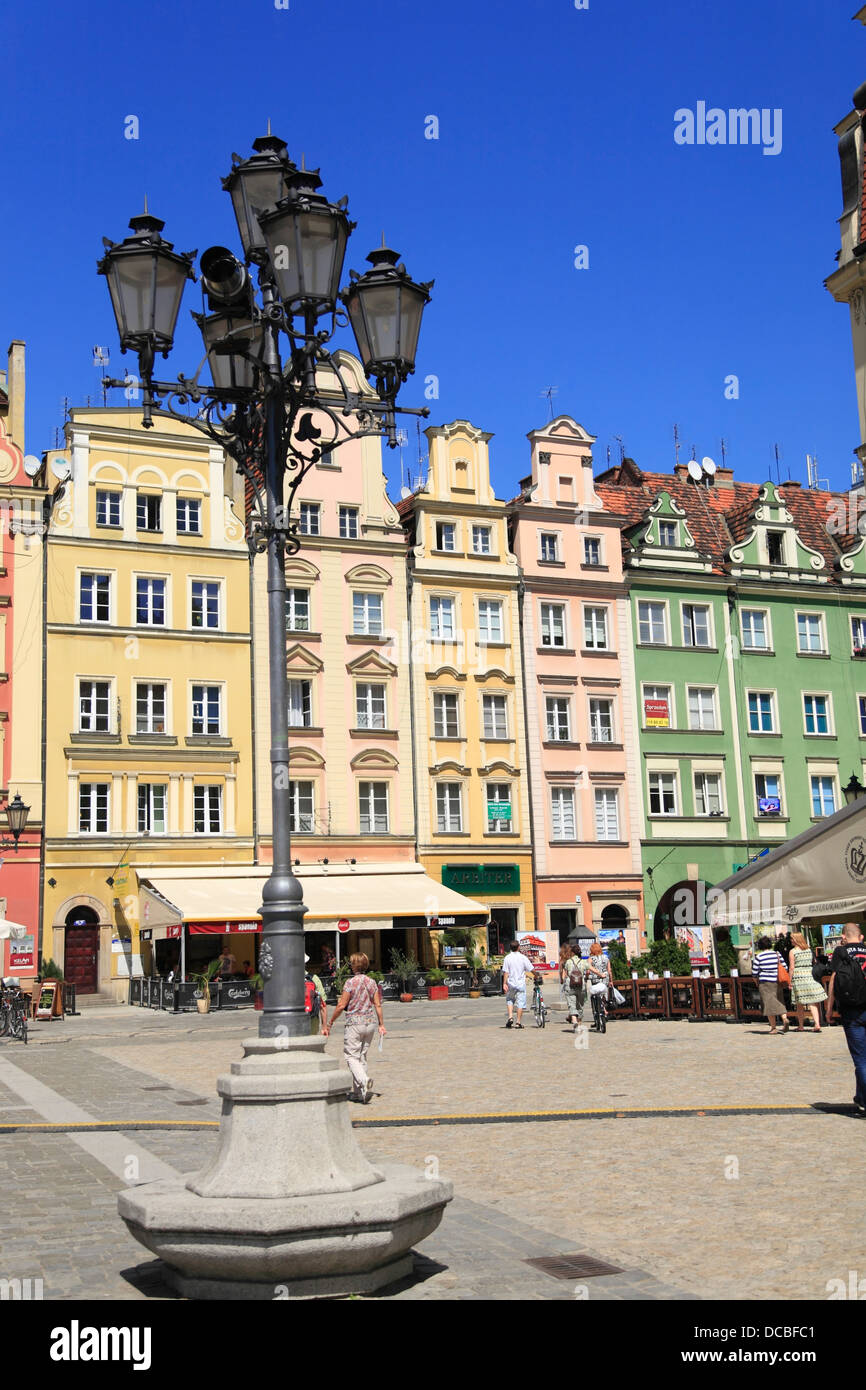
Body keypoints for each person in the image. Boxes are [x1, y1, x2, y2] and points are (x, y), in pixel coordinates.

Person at [322, 952, 384, 1103]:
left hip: (354, 1024)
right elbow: (377, 1004)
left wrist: (330, 1022)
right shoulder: (371, 982)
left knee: (351, 1056)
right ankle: (359, 1093)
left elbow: (342, 1005)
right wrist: (381, 1024)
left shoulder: (350, 983)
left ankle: (364, 1081)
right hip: (370, 1023)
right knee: (362, 1056)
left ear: (354, 966)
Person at [826, 922, 866, 1115]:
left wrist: (828, 1008)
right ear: (861, 937)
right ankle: (861, 1099)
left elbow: (834, 979)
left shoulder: (840, 953)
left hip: (850, 1011)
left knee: (861, 1060)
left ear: (843, 937)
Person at [788, 931, 826, 1033]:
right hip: (809, 975)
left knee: (799, 1003)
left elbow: (791, 967)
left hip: (798, 976)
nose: (791, 940)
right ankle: (817, 1024)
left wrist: (789, 980)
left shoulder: (793, 951)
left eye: (792, 939)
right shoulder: (808, 950)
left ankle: (801, 1025)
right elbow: (813, 962)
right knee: (812, 1002)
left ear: (796, 940)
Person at [751, 935, 790, 1034]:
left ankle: (773, 1027)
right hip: (777, 981)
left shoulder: (759, 957)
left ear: (760, 946)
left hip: (765, 983)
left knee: (768, 1004)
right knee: (779, 1000)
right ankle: (785, 1018)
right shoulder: (777, 954)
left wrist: (757, 983)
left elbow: (754, 973)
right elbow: (785, 966)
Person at [502, 941, 535, 1028]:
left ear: (510, 948)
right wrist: (537, 974)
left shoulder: (507, 958)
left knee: (509, 999)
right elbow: (531, 968)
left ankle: (510, 1017)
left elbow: (506, 972)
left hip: (511, 983)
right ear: (518, 947)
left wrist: (504, 983)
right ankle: (518, 1022)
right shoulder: (523, 958)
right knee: (520, 1003)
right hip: (520, 984)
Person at [585, 943, 611, 1028]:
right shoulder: (606, 958)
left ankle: (597, 1017)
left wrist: (586, 977)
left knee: (594, 996)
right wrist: (611, 981)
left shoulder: (590, 959)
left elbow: (588, 971)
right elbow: (609, 970)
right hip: (605, 979)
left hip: (595, 979)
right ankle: (603, 1009)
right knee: (602, 994)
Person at [559, 944, 585, 1025]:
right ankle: (576, 1018)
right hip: (579, 983)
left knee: (571, 1001)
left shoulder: (563, 961)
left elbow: (562, 972)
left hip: (569, 983)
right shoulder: (575, 958)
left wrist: (562, 980)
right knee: (577, 1001)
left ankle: (572, 1017)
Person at [305, 953, 328, 1036]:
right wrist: (324, 1027)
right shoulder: (314, 978)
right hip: (312, 1021)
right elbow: (323, 1004)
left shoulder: (287, 979)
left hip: (293, 1022)